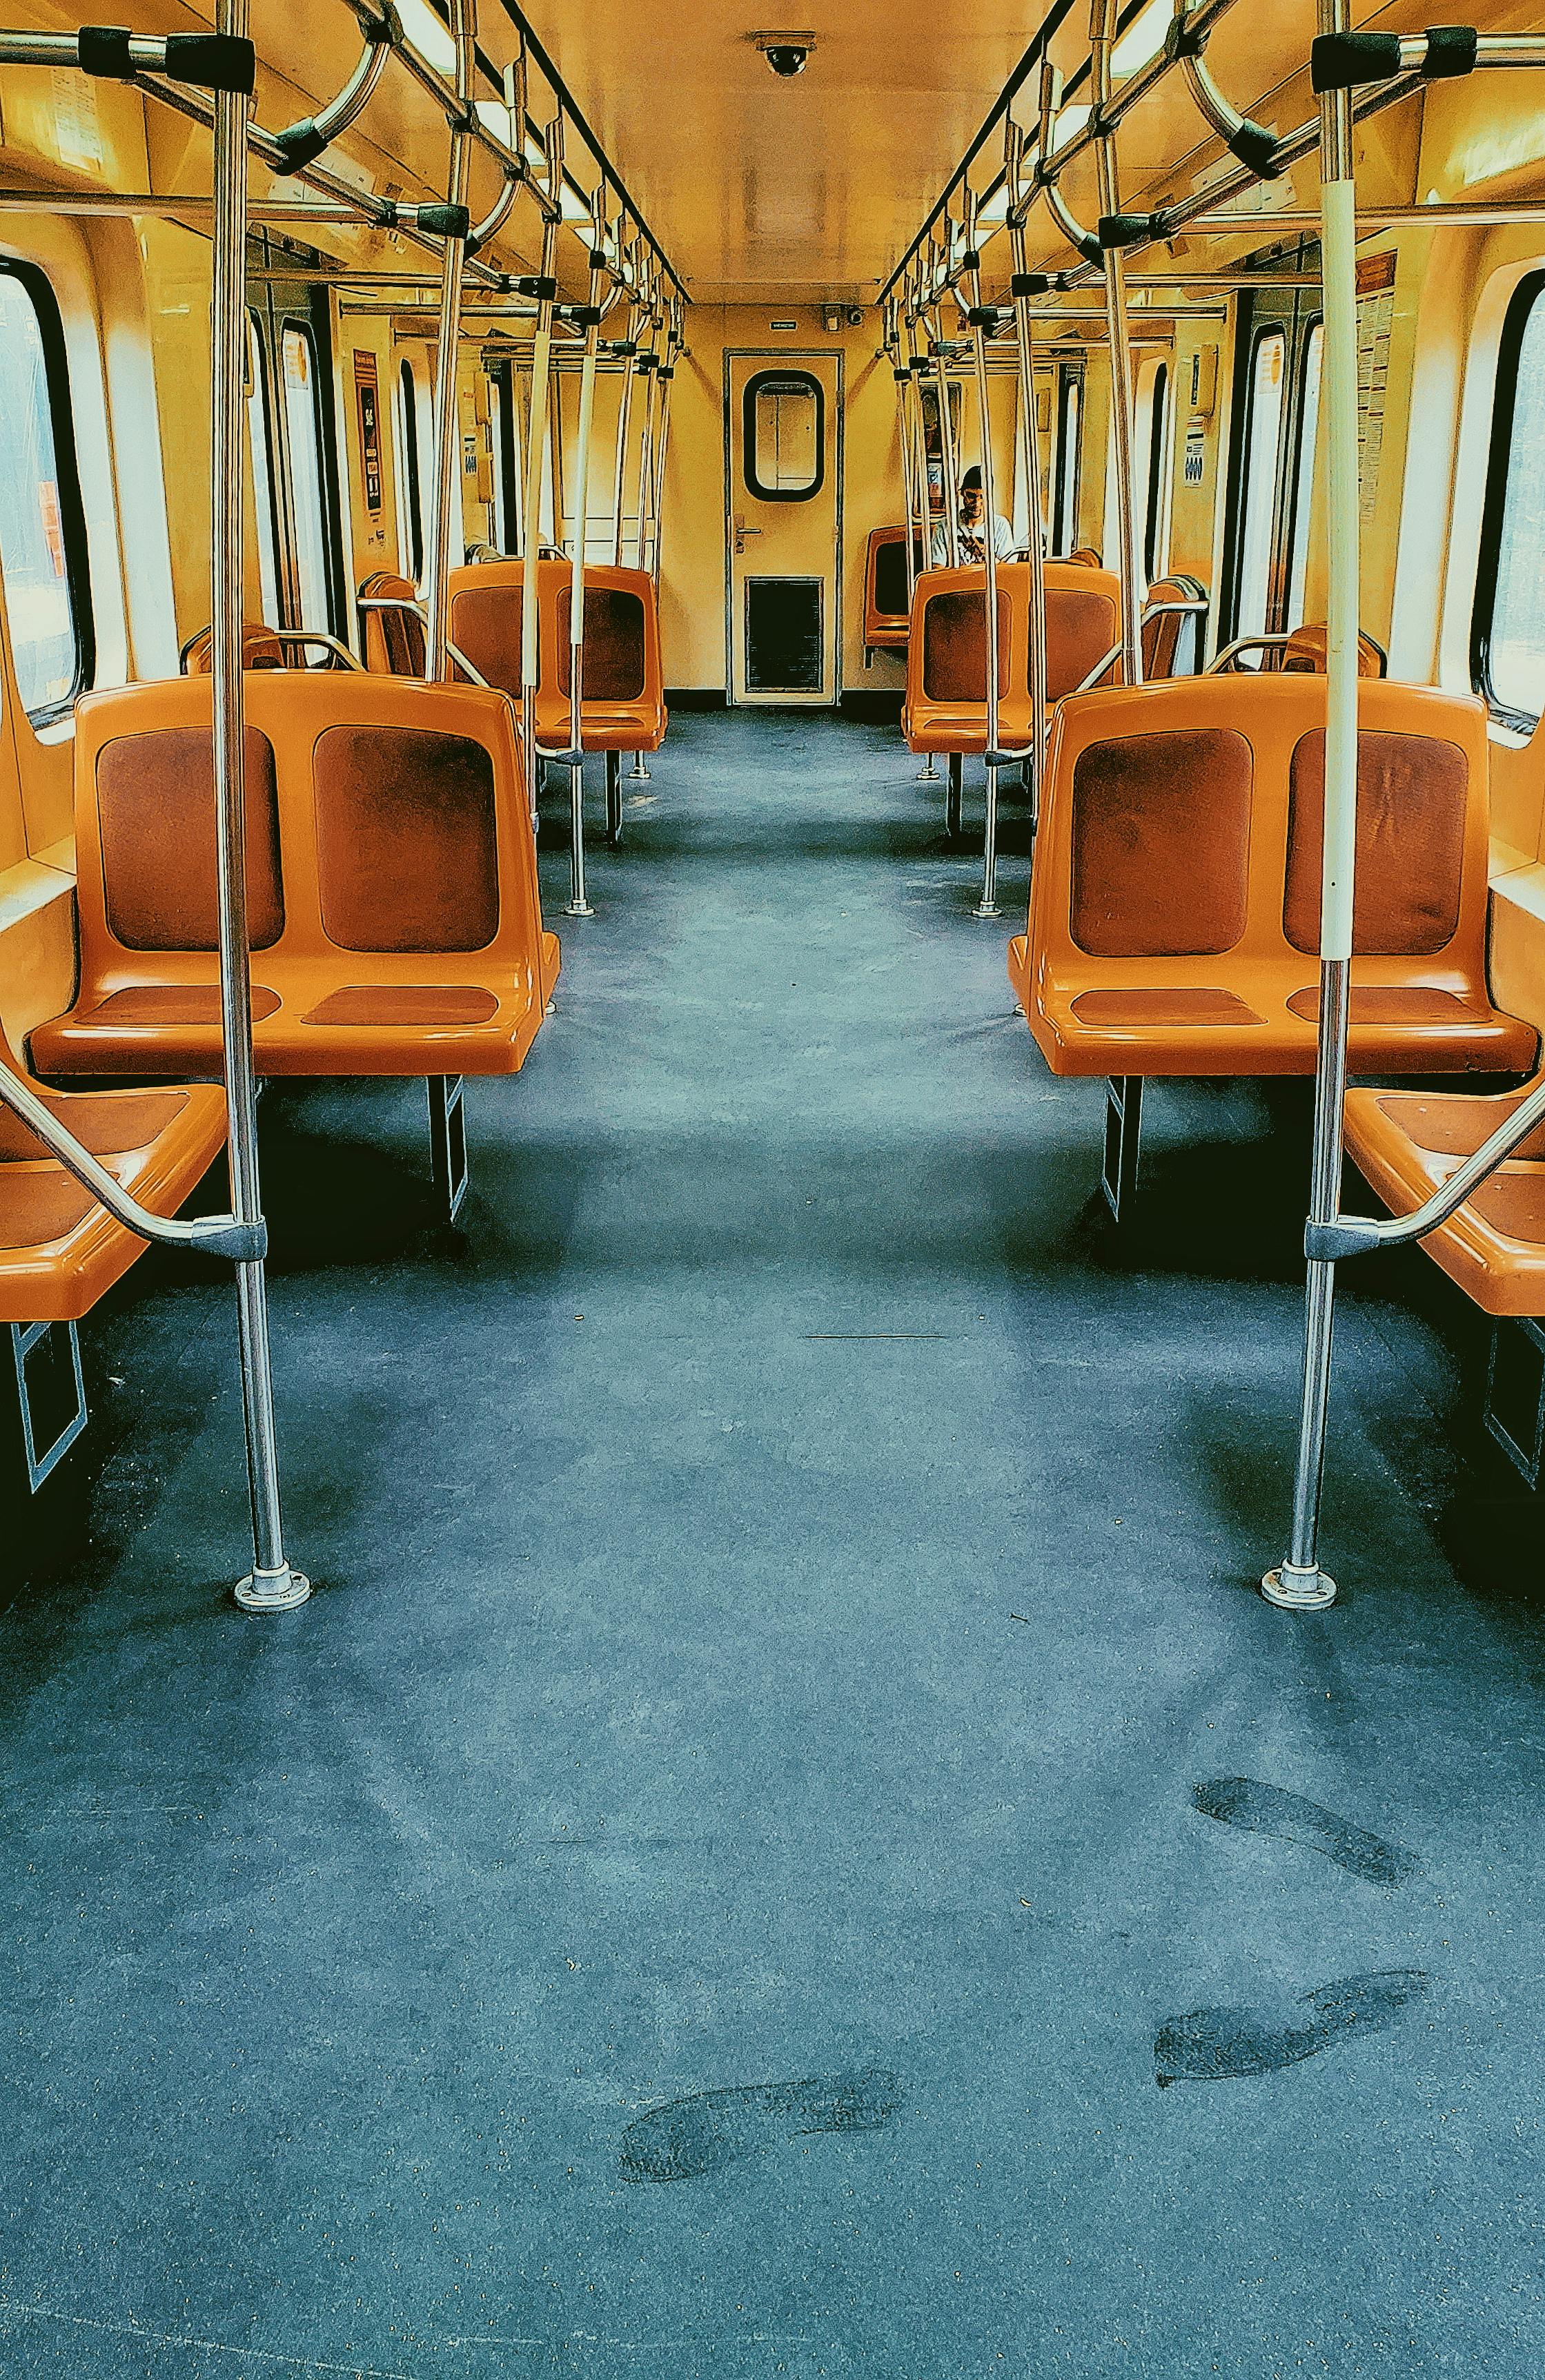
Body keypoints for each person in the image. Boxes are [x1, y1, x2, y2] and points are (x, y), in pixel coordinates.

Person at [932, 465, 1014, 566]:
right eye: (971, 496)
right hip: (957, 582)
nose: (977, 503)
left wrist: (985, 556)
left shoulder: (1000, 525)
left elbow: (1007, 572)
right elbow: (938, 571)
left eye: (982, 497)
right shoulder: (944, 527)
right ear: (962, 494)